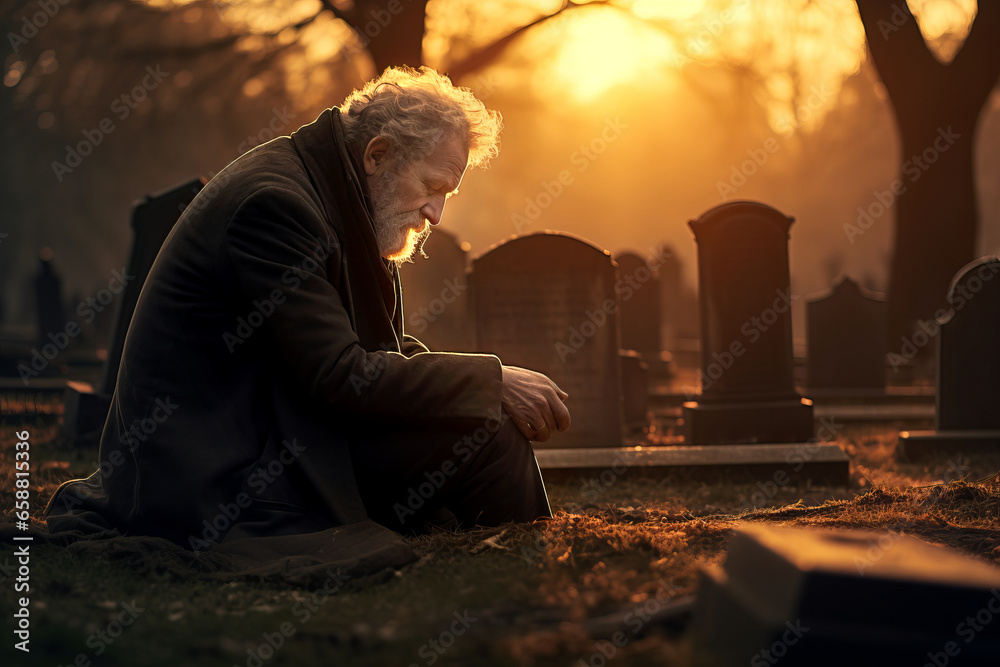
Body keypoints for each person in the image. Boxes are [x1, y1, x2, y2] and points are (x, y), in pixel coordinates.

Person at [45, 66, 571, 574]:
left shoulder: (340, 195)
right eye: (432, 187)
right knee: (488, 435)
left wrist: (485, 382)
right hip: (219, 475)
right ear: (378, 154)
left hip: (286, 431)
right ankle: (529, 580)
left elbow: (373, 351)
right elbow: (336, 374)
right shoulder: (276, 206)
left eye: (445, 195)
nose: (436, 213)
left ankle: (518, 563)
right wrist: (491, 380)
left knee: (481, 424)